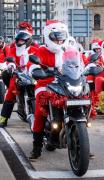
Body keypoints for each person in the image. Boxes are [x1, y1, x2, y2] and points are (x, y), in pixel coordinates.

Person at [28, 20, 69, 159]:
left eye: (62, 36)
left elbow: (81, 62)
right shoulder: (41, 50)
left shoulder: (68, 50)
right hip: (45, 84)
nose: (59, 39)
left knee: (79, 102)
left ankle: (80, 141)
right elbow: (31, 66)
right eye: (56, 36)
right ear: (48, 36)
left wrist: (89, 68)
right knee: (40, 112)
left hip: (65, 84)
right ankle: (37, 147)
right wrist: (37, 71)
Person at [0, 23, 38, 127]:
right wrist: (11, 65)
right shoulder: (13, 48)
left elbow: (40, 59)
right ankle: (3, 118)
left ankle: (45, 116)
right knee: (11, 91)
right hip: (18, 74)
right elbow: (10, 59)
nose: (20, 42)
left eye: (23, 40)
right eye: (19, 40)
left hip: (32, 75)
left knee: (41, 91)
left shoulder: (35, 48)